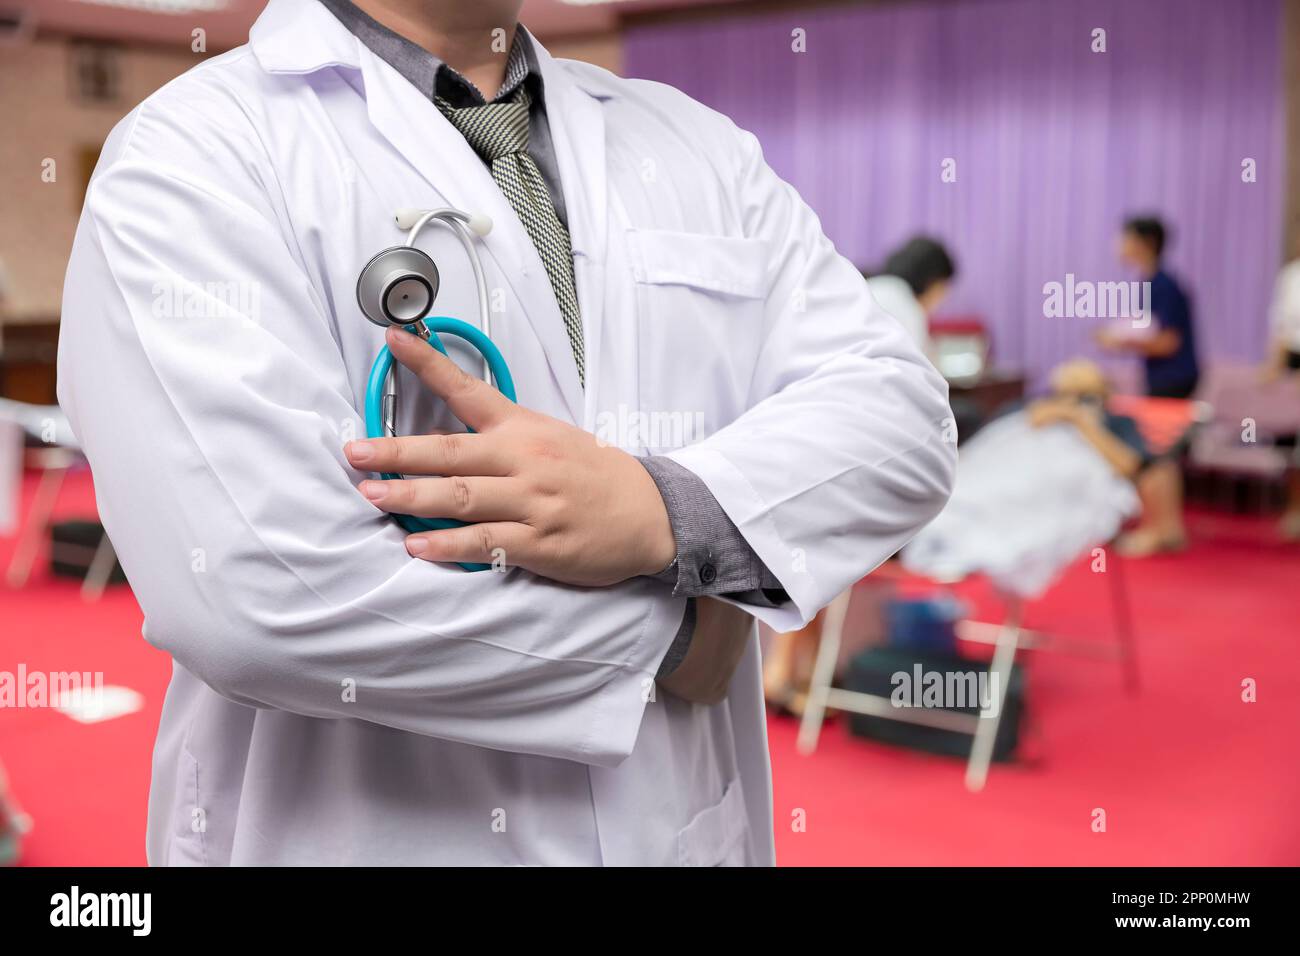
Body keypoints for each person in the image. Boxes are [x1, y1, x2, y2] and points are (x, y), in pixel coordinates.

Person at [57, 0, 955, 865]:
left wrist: (661, 513)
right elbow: (260, 591)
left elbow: (901, 420)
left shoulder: (698, 147)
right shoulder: (192, 154)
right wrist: (675, 641)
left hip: (679, 824)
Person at [1097, 215, 1200, 399]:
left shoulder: (1164, 286)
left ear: (1147, 243)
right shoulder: (1150, 282)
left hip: (1173, 379)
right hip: (1161, 376)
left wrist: (1119, 341)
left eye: (1126, 238)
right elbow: (1150, 331)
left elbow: (1168, 342)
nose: (1119, 245)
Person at [1260, 239, 1300, 541]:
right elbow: (1281, 327)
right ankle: (1294, 509)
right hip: (1292, 363)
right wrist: (1273, 370)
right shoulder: (1291, 276)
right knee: (1289, 444)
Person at [863, 236, 956, 353]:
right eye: (941, 290)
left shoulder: (870, 286)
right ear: (931, 282)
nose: (941, 301)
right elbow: (915, 366)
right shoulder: (907, 307)